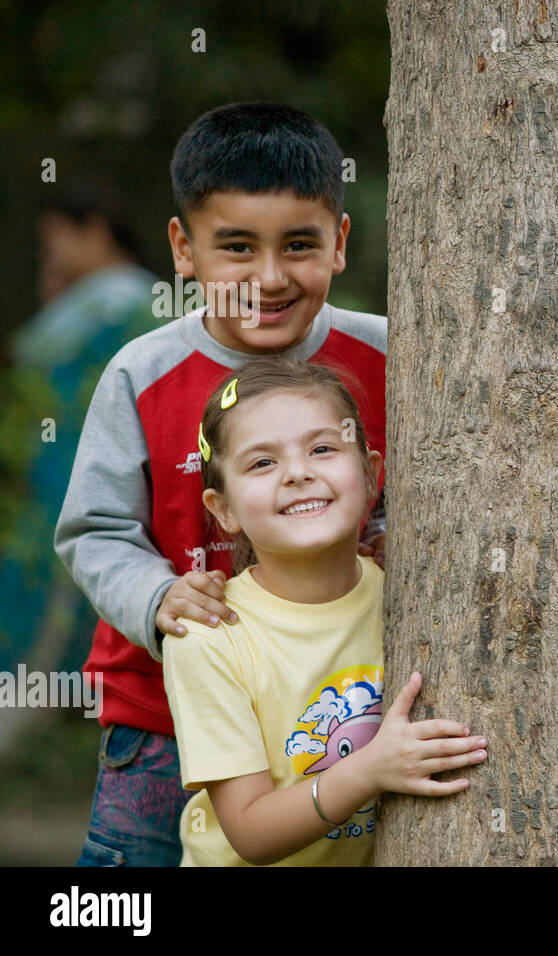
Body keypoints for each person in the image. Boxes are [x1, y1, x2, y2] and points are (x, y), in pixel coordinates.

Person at [55, 102, 388, 866]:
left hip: (331, 699)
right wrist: (157, 596)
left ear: (338, 243)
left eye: (298, 245)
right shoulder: (143, 373)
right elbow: (95, 529)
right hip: (162, 715)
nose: (267, 278)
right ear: (184, 248)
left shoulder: (388, 355)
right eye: (236, 247)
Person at [162, 359, 484, 866]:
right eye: (262, 463)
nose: (297, 473)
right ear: (223, 509)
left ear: (370, 473)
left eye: (323, 449)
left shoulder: (418, 598)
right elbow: (249, 831)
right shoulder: (208, 635)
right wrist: (369, 770)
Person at [0, 185, 157, 718]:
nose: (55, 258)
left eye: (59, 242)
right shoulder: (125, 299)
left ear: (94, 231)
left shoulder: (113, 300)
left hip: (71, 480)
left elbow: (26, 366)